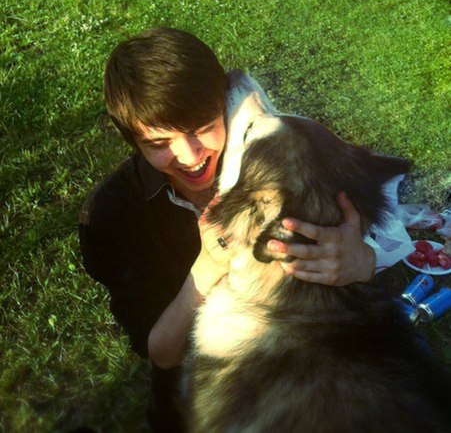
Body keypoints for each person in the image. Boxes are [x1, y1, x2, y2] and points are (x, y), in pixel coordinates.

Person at [79, 27, 389, 432]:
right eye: (160, 143)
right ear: (133, 141)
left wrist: (361, 262)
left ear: (220, 104)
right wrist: (207, 266)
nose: (190, 156)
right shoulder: (111, 216)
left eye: (201, 126)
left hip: (318, 372)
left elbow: (367, 239)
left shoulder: (276, 152)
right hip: (205, 399)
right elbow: (162, 353)